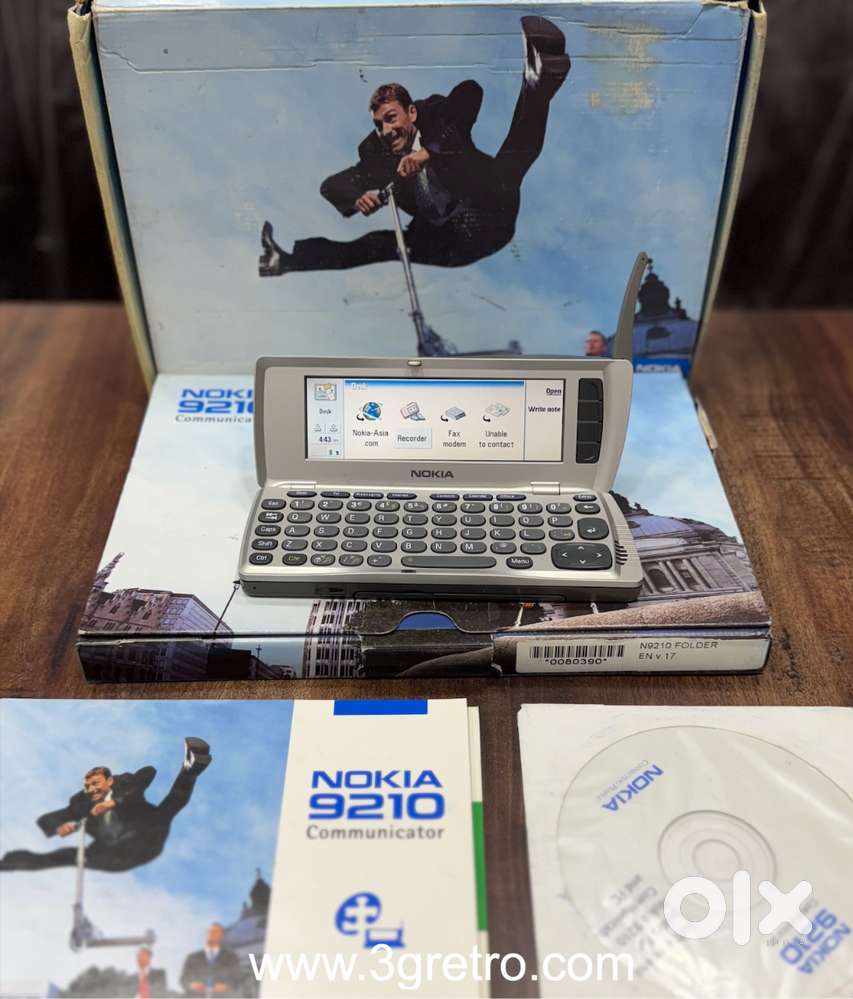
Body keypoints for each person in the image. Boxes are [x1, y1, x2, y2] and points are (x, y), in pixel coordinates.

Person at [259, 15, 570, 276]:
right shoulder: (376, 155)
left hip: (489, 215)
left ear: (411, 112)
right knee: (377, 244)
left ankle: (539, 79)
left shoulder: (434, 114)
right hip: (445, 243)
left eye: (391, 118)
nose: (386, 131)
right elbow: (332, 185)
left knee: (508, 166)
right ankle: (283, 262)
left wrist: (426, 153)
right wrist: (357, 197)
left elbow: (470, 92)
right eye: (378, 124)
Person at [0, 737, 211, 873]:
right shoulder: (81, 803)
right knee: (66, 856)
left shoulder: (124, 783)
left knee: (168, 809)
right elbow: (48, 820)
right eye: (87, 786)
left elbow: (148, 773)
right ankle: (9, 864)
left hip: (144, 839)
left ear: (109, 781)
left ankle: (191, 768)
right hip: (112, 853)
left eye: (95, 784)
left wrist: (114, 801)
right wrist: (59, 828)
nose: (91, 790)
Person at [180, 923, 242, 997]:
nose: (211, 934)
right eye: (209, 931)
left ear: (221, 936)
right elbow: (183, 980)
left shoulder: (231, 958)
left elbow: (237, 979)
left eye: (215, 932)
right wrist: (192, 985)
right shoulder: (192, 957)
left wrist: (226, 986)